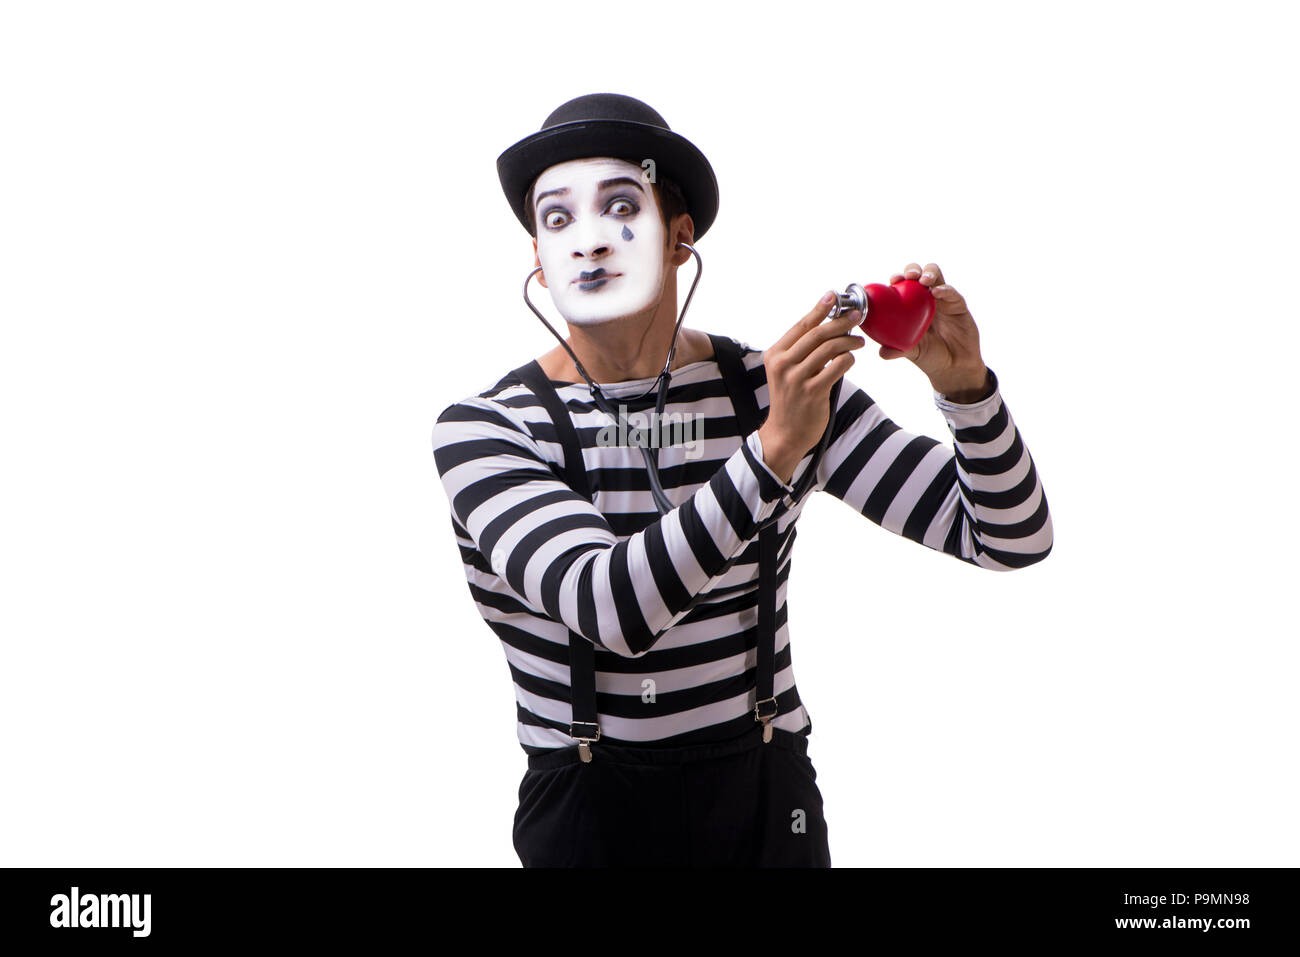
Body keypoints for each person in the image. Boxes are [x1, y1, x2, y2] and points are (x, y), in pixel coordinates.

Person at [431, 93, 1054, 867]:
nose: (587, 242)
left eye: (620, 207)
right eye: (557, 219)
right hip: (590, 814)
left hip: (765, 800)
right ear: (537, 255)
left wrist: (967, 391)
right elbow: (612, 610)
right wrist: (773, 451)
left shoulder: (773, 391)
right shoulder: (487, 429)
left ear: (680, 236)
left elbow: (1010, 536)